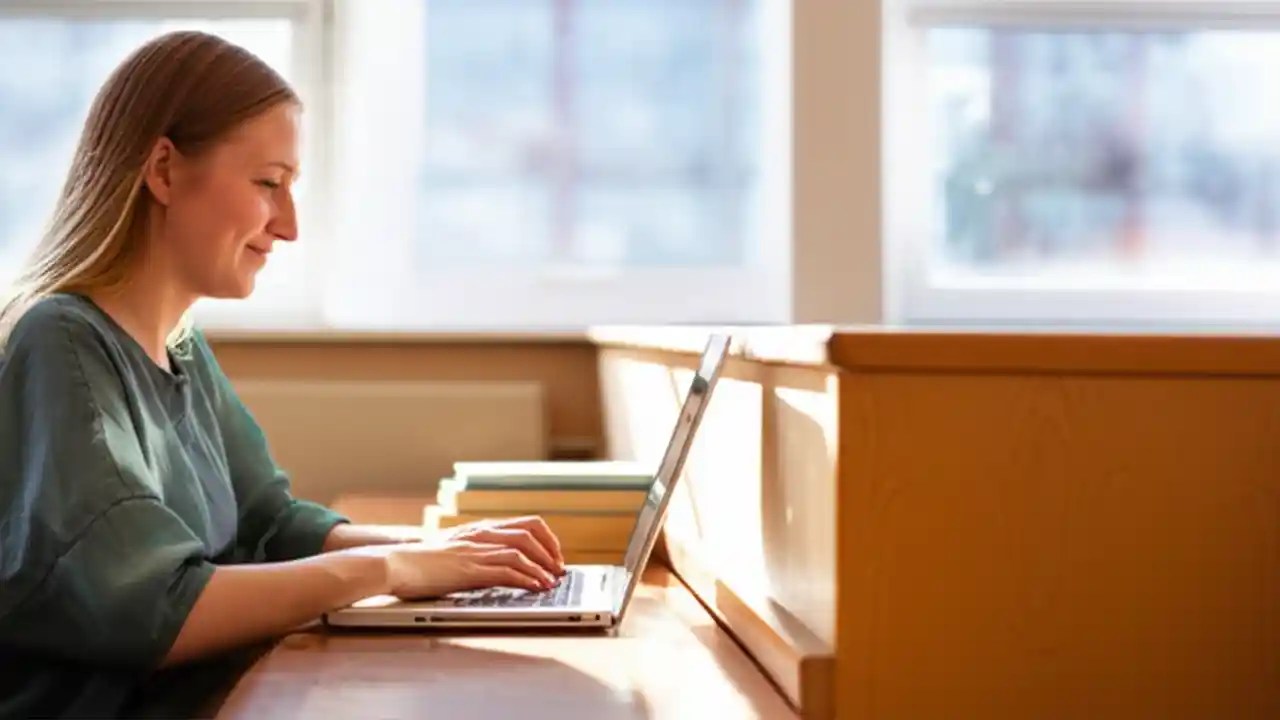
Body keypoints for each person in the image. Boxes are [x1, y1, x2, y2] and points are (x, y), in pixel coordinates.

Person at [0, 31, 566, 719]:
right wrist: (391, 568)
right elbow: (153, 608)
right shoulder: (59, 341)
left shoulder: (179, 348)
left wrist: (443, 549)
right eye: (269, 184)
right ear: (165, 171)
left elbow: (273, 526)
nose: (289, 226)